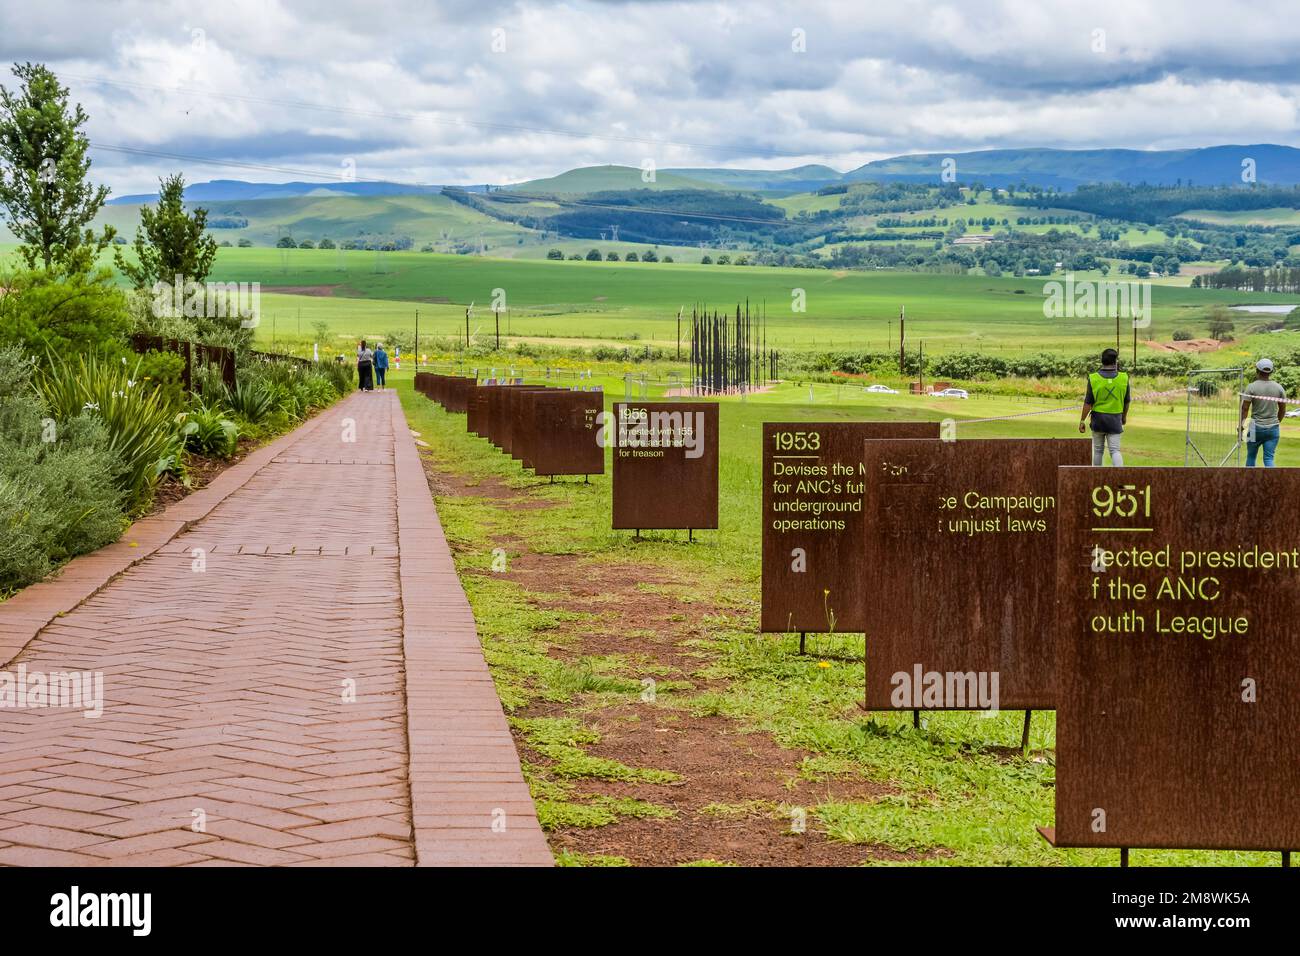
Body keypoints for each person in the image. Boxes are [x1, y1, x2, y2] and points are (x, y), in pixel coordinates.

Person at [1078, 347, 1130, 466]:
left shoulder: (1093, 378)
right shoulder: (1124, 378)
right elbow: (1127, 401)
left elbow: (1088, 402)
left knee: (1098, 451)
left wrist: (1082, 420)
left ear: (1102, 361)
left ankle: (1097, 479)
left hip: (1098, 420)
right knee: (1115, 450)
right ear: (1115, 361)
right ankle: (1120, 480)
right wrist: (1124, 417)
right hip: (1115, 419)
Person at [1240, 358, 1286, 467]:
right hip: (1273, 428)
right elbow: (1283, 409)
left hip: (1254, 427)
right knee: (1269, 459)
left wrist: (1242, 426)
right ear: (1271, 372)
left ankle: (1249, 482)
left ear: (1257, 370)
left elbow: (1245, 409)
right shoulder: (1279, 388)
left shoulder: (1251, 387)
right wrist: (1276, 422)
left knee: (1251, 456)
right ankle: (1273, 483)